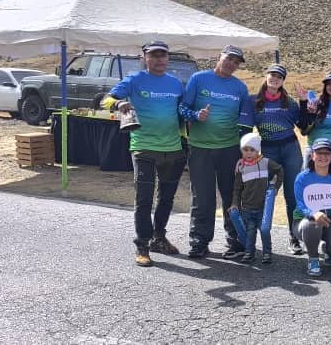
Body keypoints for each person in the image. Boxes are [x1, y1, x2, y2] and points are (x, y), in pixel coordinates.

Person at [103, 40, 187, 267]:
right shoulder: (135, 79)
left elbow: (182, 111)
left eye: (163, 55)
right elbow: (106, 99)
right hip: (143, 147)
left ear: (168, 58)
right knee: (144, 199)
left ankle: (159, 238)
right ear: (145, 58)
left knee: (167, 198)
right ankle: (142, 245)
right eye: (154, 55)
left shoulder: (176, 84)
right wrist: (119, 103)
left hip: (173, 149)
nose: (159, 59)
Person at [179, 45, 253, 259]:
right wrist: (195, 115)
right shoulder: (198, 79)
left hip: (229, 149)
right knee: (202, 197)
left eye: (237, 62)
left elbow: (244, 119)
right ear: (219, 57)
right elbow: (182, 108)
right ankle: (199, 241)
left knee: (232, 196)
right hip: (200, 148)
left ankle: (235, 241)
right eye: (229, 58)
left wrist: (244, 148)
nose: (232, 64)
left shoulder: (240, 87)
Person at [240, 64, 311, 256]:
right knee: (261, 194)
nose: (275, 78)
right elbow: (245, 130)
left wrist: (304, 102)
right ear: (266, 75)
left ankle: (294, 237)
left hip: (290, 149)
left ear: (283, 81)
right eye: (272, 74)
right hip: (267, 150)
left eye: (279, 76)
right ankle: (253, 239)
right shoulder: (253, 101)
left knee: (291, 196)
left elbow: (304, 127)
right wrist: (243, 156)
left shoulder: (290, 102)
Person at [293, 138, 331, 276]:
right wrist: (313, 213)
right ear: (312, 155)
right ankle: (313, 258)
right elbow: (300, 204)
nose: (323, 156)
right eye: (319, 153)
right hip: (305, 222)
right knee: (313, 224)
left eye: (327, 153)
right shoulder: (302, 177)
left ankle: (329, 249)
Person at [230, 133, 283, 264]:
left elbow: (280, 170)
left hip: (263, 208)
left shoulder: (265, 162)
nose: (248, 153)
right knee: (250, 233)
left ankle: (267, 253)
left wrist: (276, 187)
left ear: (257, 150)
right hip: (247, 209)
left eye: (252, 150)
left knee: (265, 231)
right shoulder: (241, 167)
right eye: (245, 149)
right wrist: (235, 204)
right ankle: (249, 253)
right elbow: (237, 189)